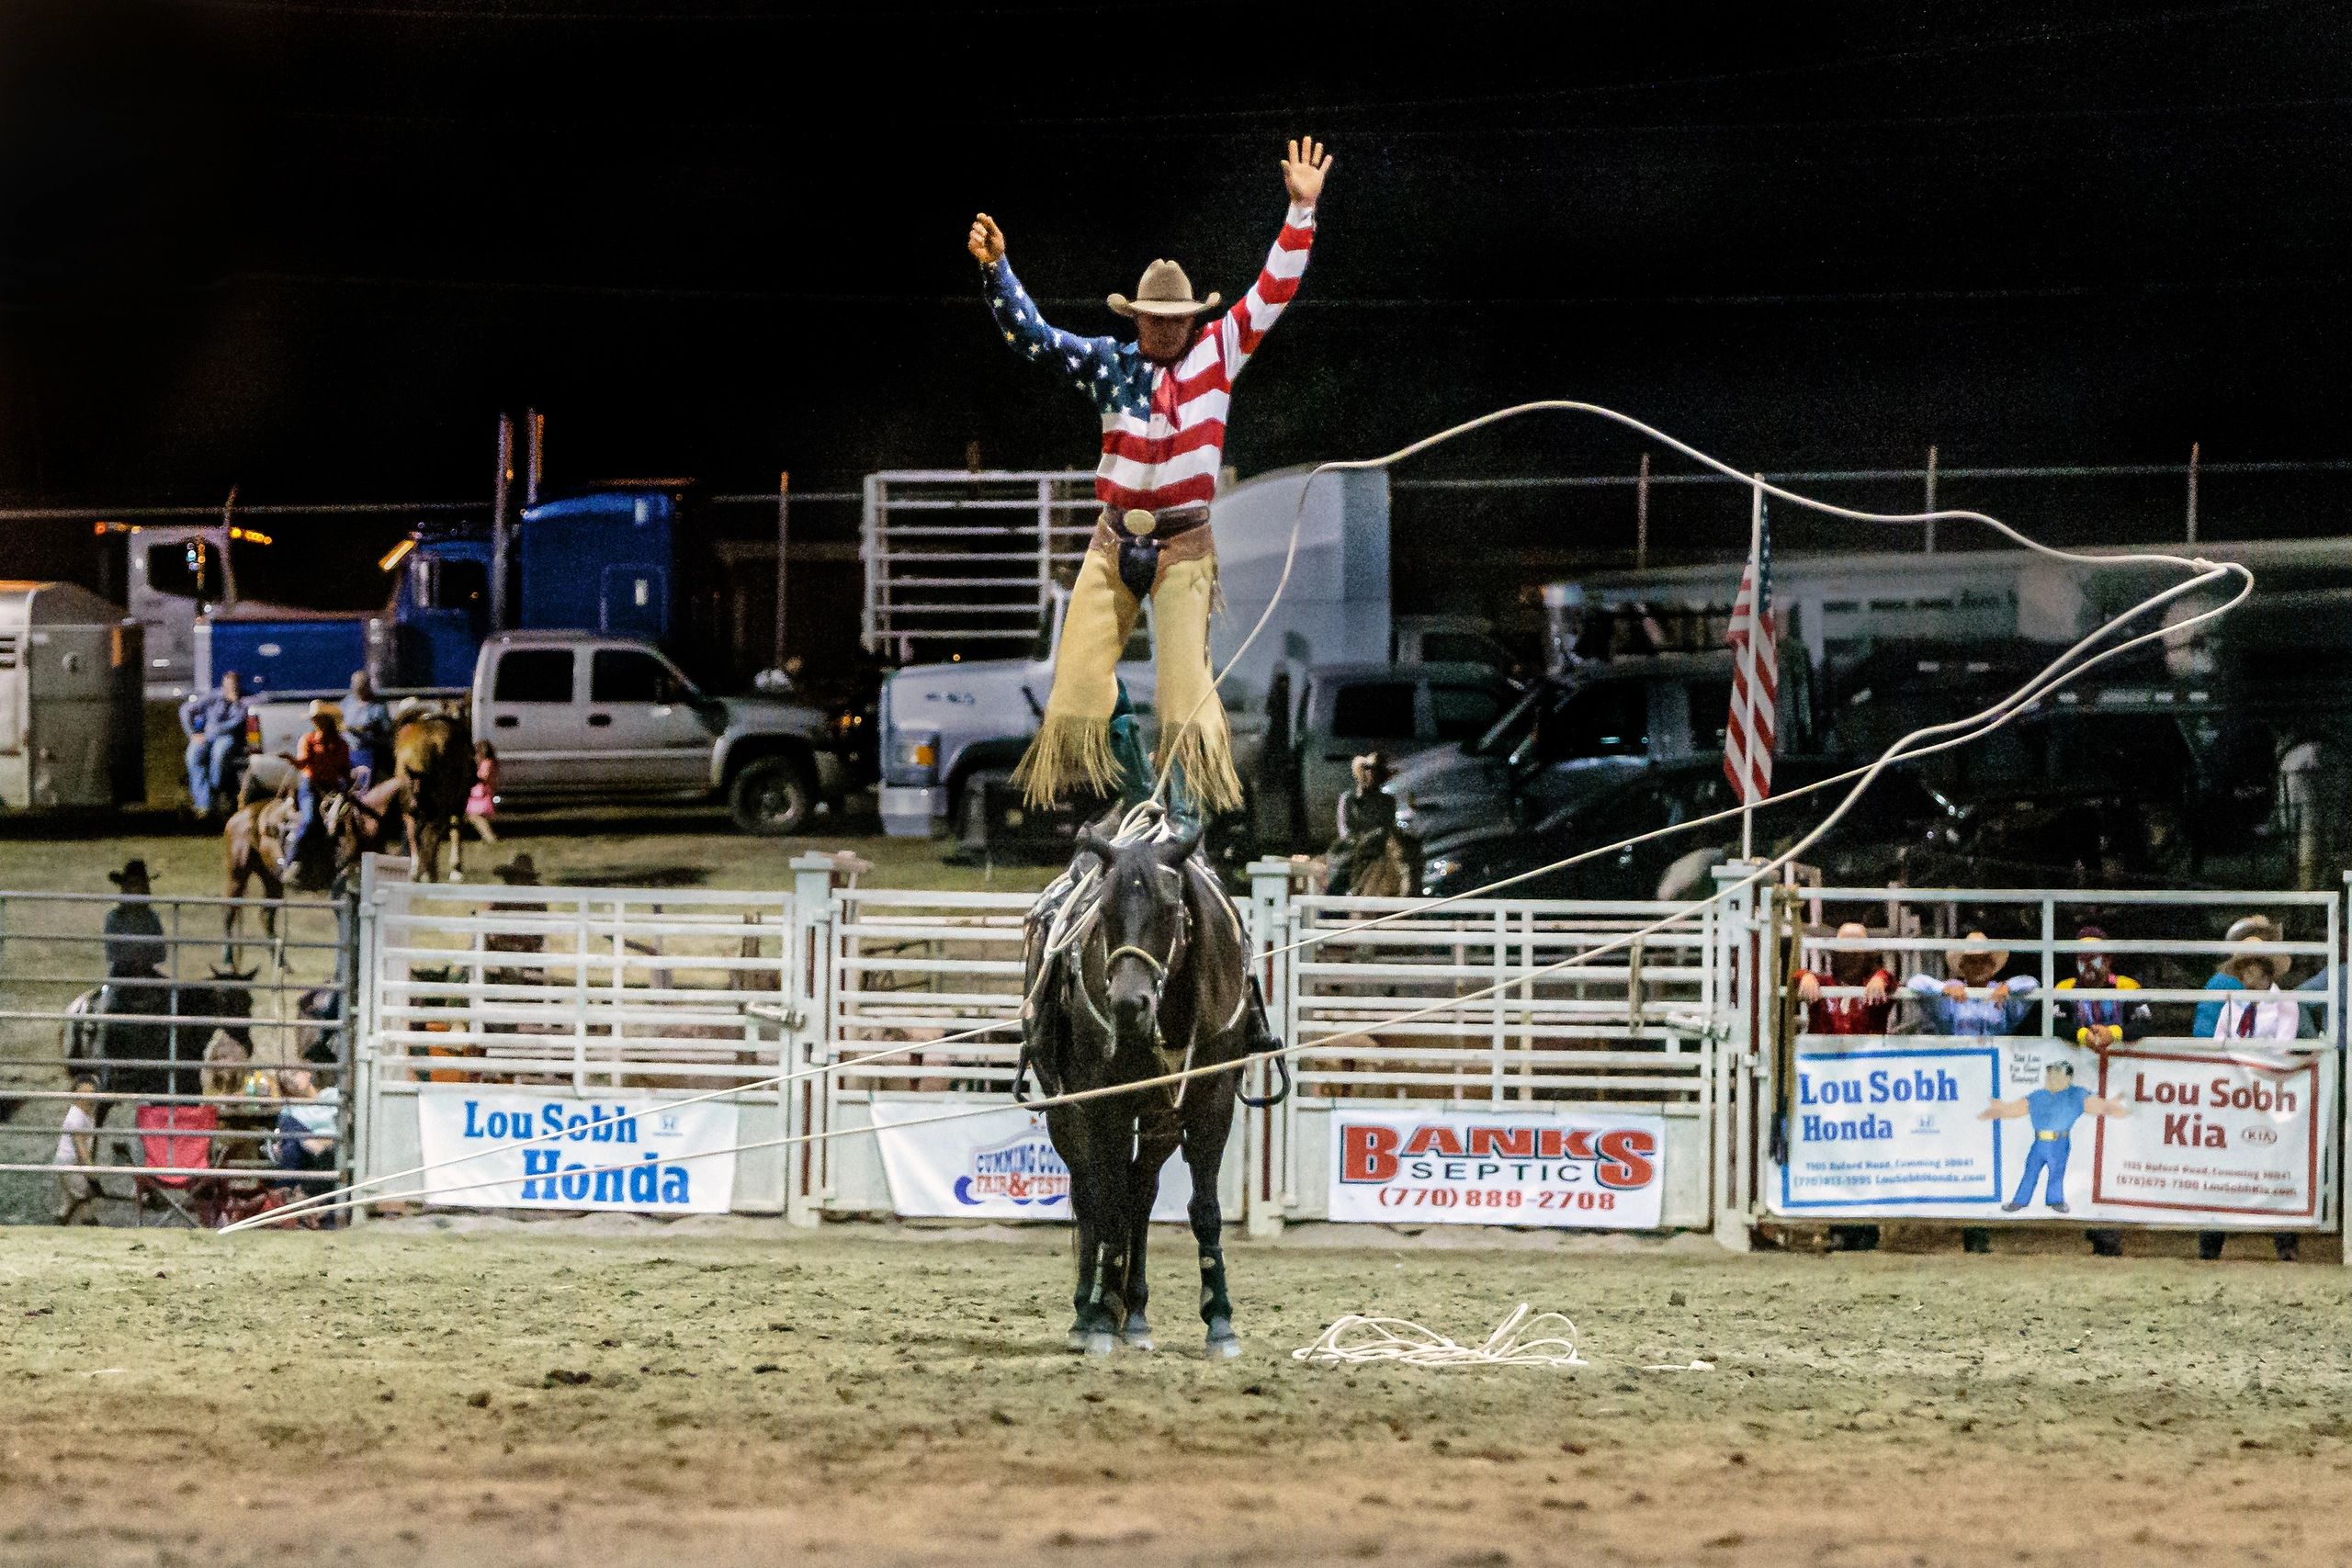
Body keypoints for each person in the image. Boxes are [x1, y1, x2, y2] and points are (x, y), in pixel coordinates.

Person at [969, 136, 1332, 823]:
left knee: (1185, 696)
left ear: (1191, 320)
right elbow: (1037, 337)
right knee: (1074, 690)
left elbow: (1274, 288)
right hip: (1112, 544)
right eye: (1155, 321)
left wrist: (1301, 211)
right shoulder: (1110, 362)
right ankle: (1139, 788)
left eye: (1175, 321)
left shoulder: (1221, 351)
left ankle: (1188, 814)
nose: (1165, 331)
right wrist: (999, 274)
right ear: (1138, 319)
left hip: (1184, 547)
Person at [1905, 932, 2040, 1253]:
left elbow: (2031, 982)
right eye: (1972, 961)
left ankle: (1987, 1220)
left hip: (1996, 1081)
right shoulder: (1951, 995)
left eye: (1983, 961)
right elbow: (1916, 983)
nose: (1978, 966)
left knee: (1997, 1150)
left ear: (1992, 966)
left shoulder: (2001, 993)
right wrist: (1944, 987)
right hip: (1960, 1083)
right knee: (1967, 1149)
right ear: (1962, 966)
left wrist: (2007, 987)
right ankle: (1973, 1227)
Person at [2201, 924, 2304, 1262]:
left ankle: (2285, 1240)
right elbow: (2219, 1041)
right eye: (2242, 966)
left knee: (2277, 1160)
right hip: (2233, 1091)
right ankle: (2211, 1241)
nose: (2245, 972)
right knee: (2221, 1160)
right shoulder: (2232, 1004)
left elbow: (2283, 1046)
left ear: (2266, 969)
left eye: (2251, 965)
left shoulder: (2284, 1003)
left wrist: (2245, 1059)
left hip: (2269, 1092)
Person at [2052, 927, 2154, 1256]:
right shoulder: (2065, 989)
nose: (2089, 967)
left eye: (2094, 959)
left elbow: (2147, 1021)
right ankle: (2096, 1223)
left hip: (2120, 1082)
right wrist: (2084, 1035)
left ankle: (2107, 1226)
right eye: (2082, 961)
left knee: (2116, 1148)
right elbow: (2055, 1023)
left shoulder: (2127, 987)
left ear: (2108, 960)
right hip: (2080, 1081)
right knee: (2082, 1148)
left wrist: (2115, 1032)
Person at [1794, 921, 1896, 1253]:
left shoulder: (1875, 985)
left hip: (1865, 1085)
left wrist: (1882, 977)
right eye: (1845, 951)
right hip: (1828, 1087)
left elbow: (1891, 982)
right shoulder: (1822, 984)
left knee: (1865, 1153)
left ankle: (1865, 1226)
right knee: (1835, 1153)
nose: (1850, 957)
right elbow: (1794, 979)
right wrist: (1803, 976)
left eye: (1857, 951)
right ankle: (1840, 1224)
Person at [1981, 1060, 2131, 1215]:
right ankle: (2019, 1201)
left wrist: (2111, 1106)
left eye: (2057, 1074)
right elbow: (2015, 1108)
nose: (2052, 1078)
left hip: (2059, 1142)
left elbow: (2097, 1105)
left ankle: (2055, 1200)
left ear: (2068, 1078)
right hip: (2039, 1142)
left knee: (2056, 1172)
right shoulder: (2037, 1096)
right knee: (2030, 1171)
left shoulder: (2076, 1094)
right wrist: (2000, 1109)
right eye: (2050, 1074)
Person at [1328, 754, 1417, 897]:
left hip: (1379, 849)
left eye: (1377, 772)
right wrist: (1363, 840)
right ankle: (1330, 909)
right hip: (1354, 849)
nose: (1372, 775)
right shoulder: (1349, 799)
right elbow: (1345, 829)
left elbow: (1388, 826)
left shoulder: (1388, 801)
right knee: (1339, 879)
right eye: (1369, 770)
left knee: (1406, 864)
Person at [282, 700, 352, 880]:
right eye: (315, 720)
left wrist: (350, 784)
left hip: (333, 788)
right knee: (310, 820)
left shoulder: (341, 744)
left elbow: (344, 769)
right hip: (311, 787)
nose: (316, 723)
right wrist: (290, 759)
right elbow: (303, 763)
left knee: (349, 819)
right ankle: (292, 861)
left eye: (320, 719)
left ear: (328, 721)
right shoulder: (308, 740)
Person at [178, 670, 251, 817]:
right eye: (228, 684)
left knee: (219, 755)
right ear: (223, 684)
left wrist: (235, 702)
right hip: (205, 736)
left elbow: (235, 724)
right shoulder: (213, 697)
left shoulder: (243, 702)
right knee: (193, 756)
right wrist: (192, 733)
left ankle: (215, 788)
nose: (231, 688)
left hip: (227, 737)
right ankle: (203, 803)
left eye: (233, 684)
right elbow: (186, 710)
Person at [103, 859, 167, 979]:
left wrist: (144, 961)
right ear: (125, 888)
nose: (138, 890)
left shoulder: (152, 917)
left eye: (141, 885)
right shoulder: (114, 917)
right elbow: (112, 954)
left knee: (173, 993)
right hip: (121, 976)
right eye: (133, 884)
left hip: (148, 974)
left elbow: (161, 954)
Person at [53, 1075, 100, 1224]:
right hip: (69, 1162)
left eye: (91, 1094)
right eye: (83, 1095)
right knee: (84, 1194)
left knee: (69, 1202)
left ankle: (59, 1225)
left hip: (69, 1163)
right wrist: (92, 1177)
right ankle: (89, 1223)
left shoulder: (88, 1114)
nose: (88, 1099)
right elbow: (81, 1150)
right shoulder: (76, 1118)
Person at [343, 670, 393, 788]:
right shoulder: (348, 702)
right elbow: (341, 720)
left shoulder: (378, 706)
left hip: (368, 751)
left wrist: (369, 728)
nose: (357, 689)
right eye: (355, 685)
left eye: (361, 686)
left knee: (364, 785)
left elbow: (387, 728)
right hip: (349, 750)